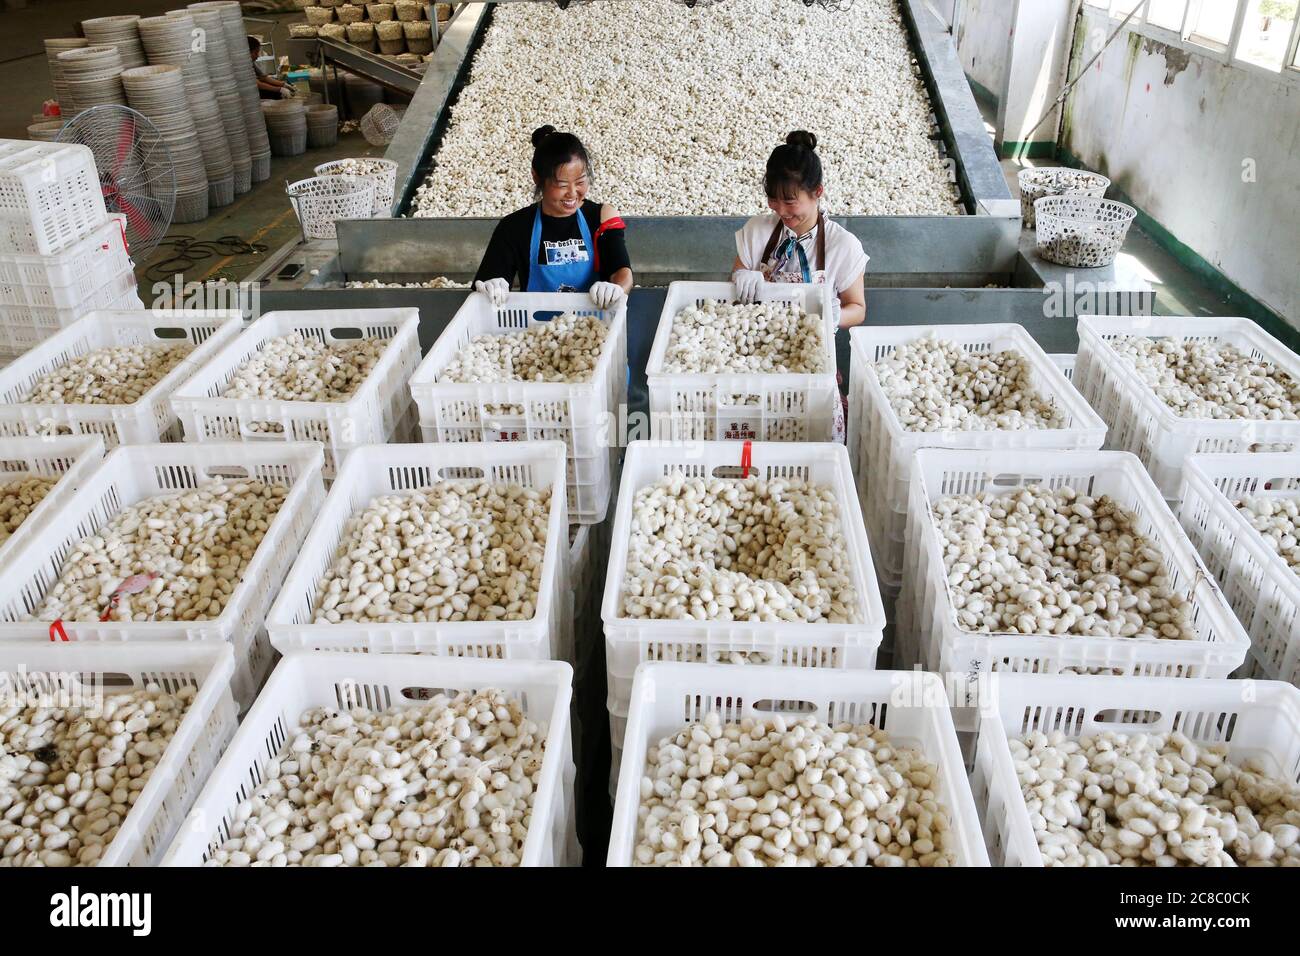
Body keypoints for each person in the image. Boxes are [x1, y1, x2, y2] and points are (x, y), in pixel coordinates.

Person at [732, 130, 868, 440]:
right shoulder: (758, 231)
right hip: (757, 359)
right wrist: (742, 278)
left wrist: (835, 314)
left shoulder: (842, 246)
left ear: (817, 191)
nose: (781, 210)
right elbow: (735, 281)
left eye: (790, 201)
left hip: (813, 365)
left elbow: (857, 308)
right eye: (773, 200)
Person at [473, 126, 632, 310]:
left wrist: (616, 289)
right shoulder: (515, 227)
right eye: (562, 185)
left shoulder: (601, 216)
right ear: (537, 177)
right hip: (534, 328)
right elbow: (484, 286)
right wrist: (491, 288)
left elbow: (622, 272)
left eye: (580, 182)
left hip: (595, 323)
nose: (572, 194)